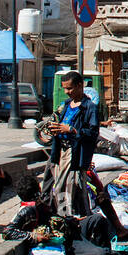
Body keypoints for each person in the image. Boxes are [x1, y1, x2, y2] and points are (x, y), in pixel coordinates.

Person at [44, 71, 101, 217]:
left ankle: (65, 218)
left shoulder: (89, 107)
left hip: (74, 152)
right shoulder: (67, 105)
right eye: (64, 88)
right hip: (60, 150)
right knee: (56, 184)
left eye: (69, 88)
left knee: (66, 187)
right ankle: (70, 216)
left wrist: (72, 130)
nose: (66, 92)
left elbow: (93, 133)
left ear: (80, 86)